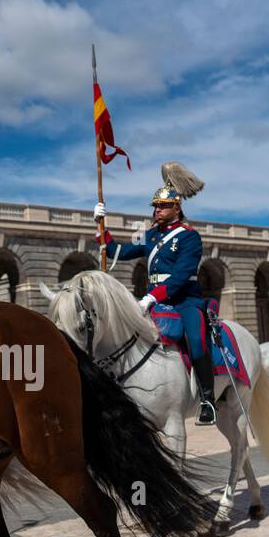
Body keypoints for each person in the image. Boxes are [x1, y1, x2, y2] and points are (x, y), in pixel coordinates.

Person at [93, 162, 217, 424]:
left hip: (185, 300)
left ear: (177, 207)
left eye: (162, 206)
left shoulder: (189, 237)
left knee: (196, 342)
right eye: (155, 206)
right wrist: (100, 225)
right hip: (155, 300)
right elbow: (119, 252)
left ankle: (208, 399)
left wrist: (152, 297)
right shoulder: (149, 236)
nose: (157, 210)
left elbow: (182, 276)